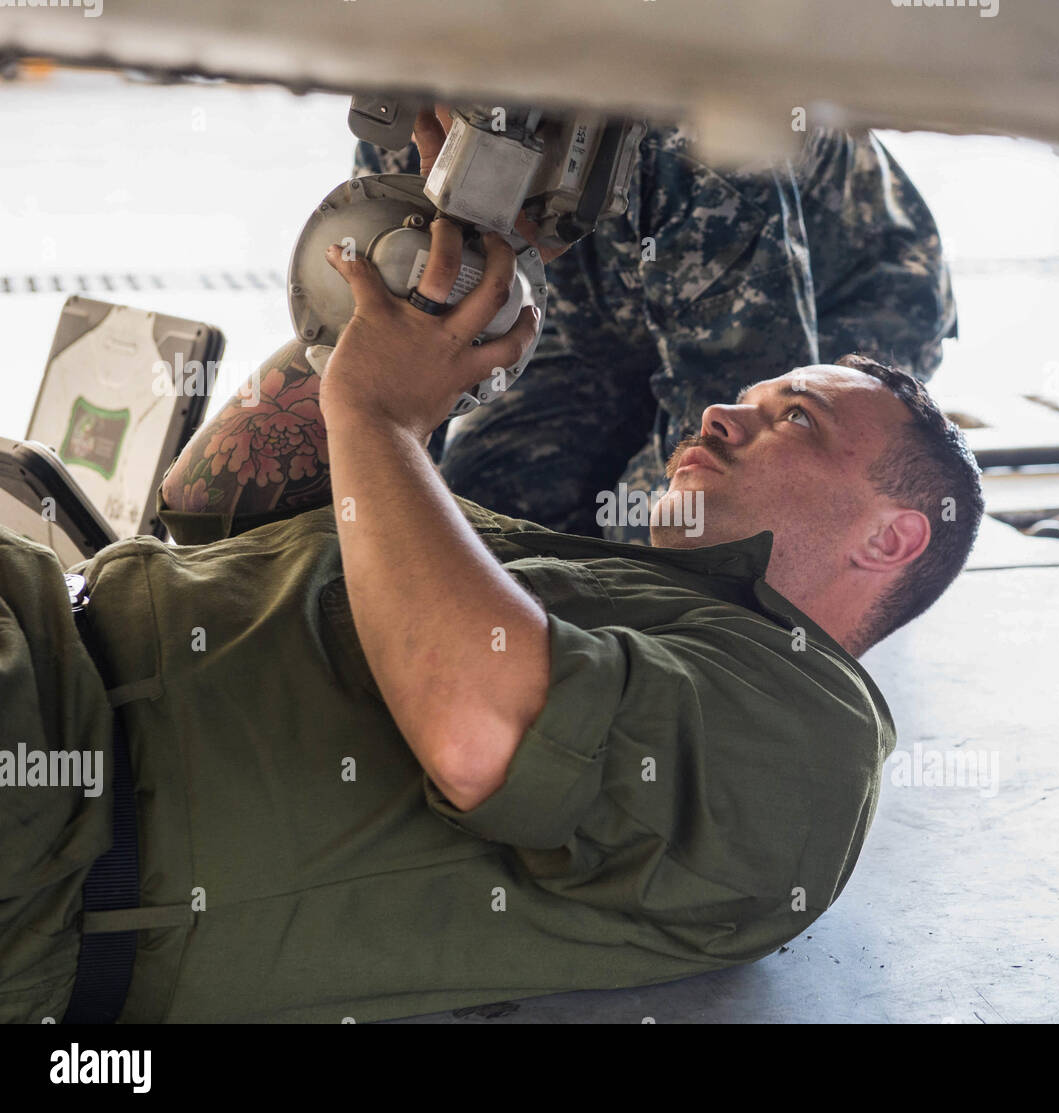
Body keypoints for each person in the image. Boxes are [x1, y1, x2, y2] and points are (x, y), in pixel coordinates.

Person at [0, 118, 982, 1025]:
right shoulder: (557, 569)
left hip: (51, 807)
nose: (723, 413)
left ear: (892, 537)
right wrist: (394, 306)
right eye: (755, 399)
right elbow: (215, 503)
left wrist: (378, 419)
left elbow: (481, 733)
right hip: (42, 623)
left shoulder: (812, 736)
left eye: (793, 420)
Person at [354, 107, 958, 539]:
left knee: (669, 542)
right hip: (603, 308)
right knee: (479, 521)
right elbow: (409, 352)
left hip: (828, 319)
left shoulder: (699, 136)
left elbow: (733, 408)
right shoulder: (408, 113)